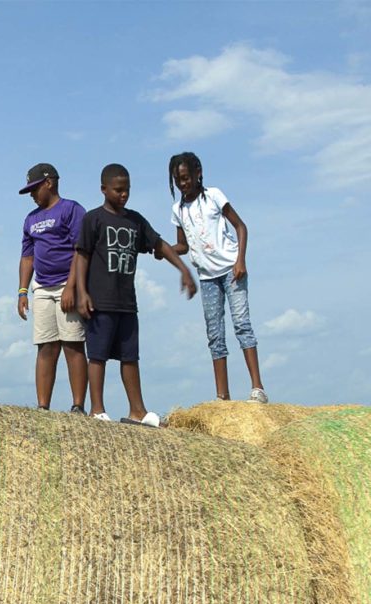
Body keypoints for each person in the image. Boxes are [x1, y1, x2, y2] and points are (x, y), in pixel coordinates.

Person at [73, 163, 197, 425]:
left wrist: (184, 269)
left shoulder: (135, 220)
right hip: (99, 302)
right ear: (104, 189)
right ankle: (97, 409)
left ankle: (138, 411)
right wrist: (81, 292)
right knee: (98, 356)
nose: (124, 195)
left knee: (130, 357)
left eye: (127, 190)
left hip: (127, 303)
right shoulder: (93, 219)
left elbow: (159, 244)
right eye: (118, 190)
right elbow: (81, 256)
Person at [168, 151, 267, 403]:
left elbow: (241, 226)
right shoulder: (178, 209)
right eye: (178, 180)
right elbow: (183, 246)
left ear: (197, 173)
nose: (182, 183)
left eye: (186, 178)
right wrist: (164, 249)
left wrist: (240, 260)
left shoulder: (213, 196)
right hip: (207, 278)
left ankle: (257, 388)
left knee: (242, 324)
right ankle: (222, 397)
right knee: (214, 334)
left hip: (231, 271)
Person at [16, 163, 88, 413]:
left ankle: (77, 406)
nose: (32, 195)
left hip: (68, 284)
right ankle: (43, 407)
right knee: (45, 346)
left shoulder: (71, 209)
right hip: (42, 288)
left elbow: (80, 249)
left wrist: (71, 286)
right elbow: (27, 257)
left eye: (35, 189)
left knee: (72, 343)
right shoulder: (31, 219)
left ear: (49, 183)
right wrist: (22, 291)